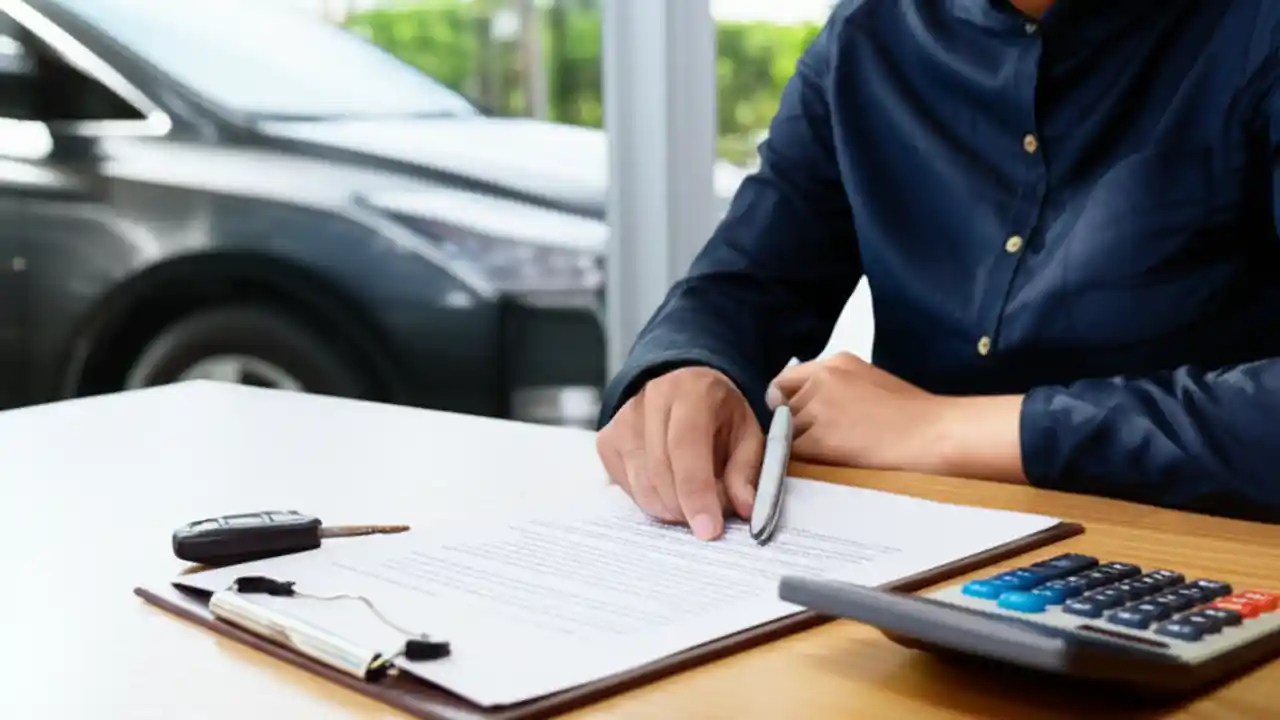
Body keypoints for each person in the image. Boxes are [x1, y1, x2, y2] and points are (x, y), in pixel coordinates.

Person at [595, 0, 1280, 540]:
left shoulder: (1254, 27)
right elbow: (744, 283)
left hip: (1187, 564)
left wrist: (941, 428)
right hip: (906, 570)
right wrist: (688, 371)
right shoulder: (868, 37)